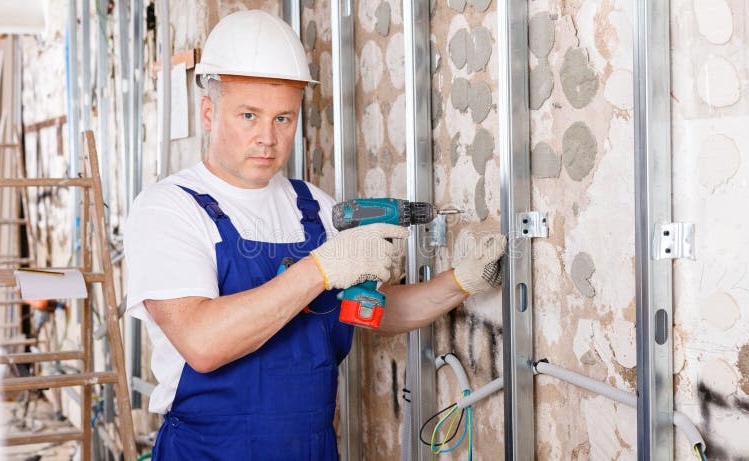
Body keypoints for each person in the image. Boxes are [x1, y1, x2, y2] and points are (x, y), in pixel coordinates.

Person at [124, 9, 505, 460]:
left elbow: (373, 312)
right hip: (210, 450)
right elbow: (204, 344)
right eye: (249, 115)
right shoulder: (169, 208)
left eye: (283, 118)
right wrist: (321, 268)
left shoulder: (314, 208)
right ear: (209, 112)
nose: (267, 137)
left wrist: (460, 283)